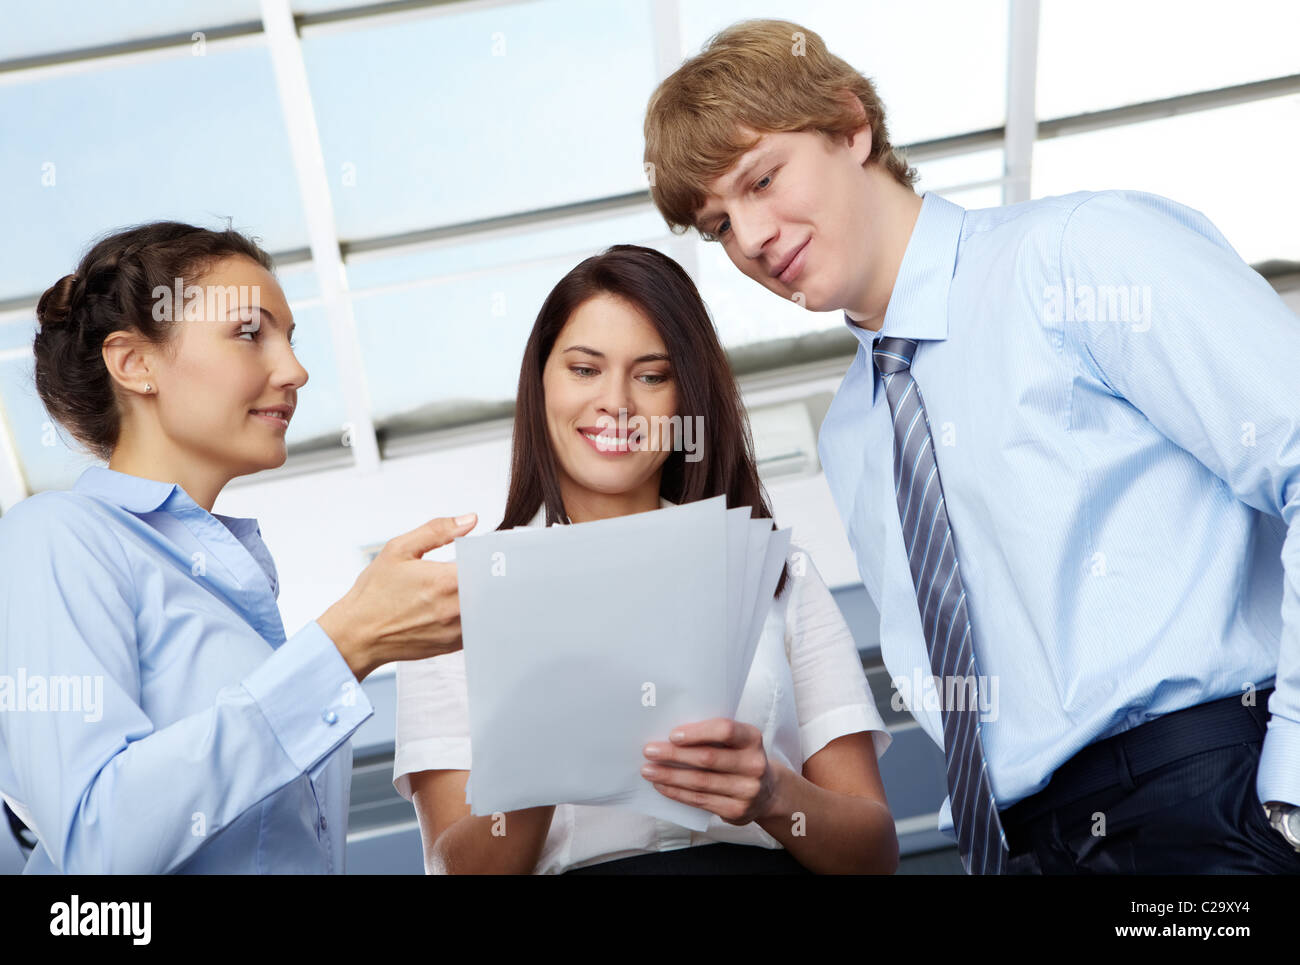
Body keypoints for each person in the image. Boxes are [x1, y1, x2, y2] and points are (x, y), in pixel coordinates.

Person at [642, 18, 1300, 875]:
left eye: (763, 179)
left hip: (1204, 806)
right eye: (719, 224)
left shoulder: (1076, 257)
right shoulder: (854, 427)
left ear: (851, 126)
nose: (753, 238)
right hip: (1019, 846)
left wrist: (1287, 797)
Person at [393, 244, 896, 874]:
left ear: (688, 398)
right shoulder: (456, 602)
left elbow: (875, 854)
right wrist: (544, 751)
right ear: (540, 380)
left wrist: (773, 793)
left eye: (652, 376)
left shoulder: (777, 574)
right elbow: (455, 869)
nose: (617, 403)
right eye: (583, 369)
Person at [0, 222, 475, 873]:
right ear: (135, 363)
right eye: (250, 333)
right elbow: (95, 843)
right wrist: (346, 646)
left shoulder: (239, 600)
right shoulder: (53, 537)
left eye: (290, 339)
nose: (296, 370)